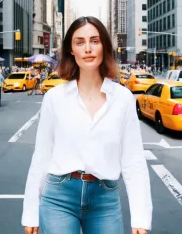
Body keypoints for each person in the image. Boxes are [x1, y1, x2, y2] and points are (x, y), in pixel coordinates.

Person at [22, 16, 152, 234]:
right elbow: (42, 156)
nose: (88, 48)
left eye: (95, 41)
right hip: (58, 197)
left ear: (104, 47)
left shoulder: (123, 98)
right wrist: (30, 211)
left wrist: (140, 217)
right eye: (80, 42)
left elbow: (133, 160)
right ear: (71, 50)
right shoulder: (55, 98)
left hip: (105, 199)